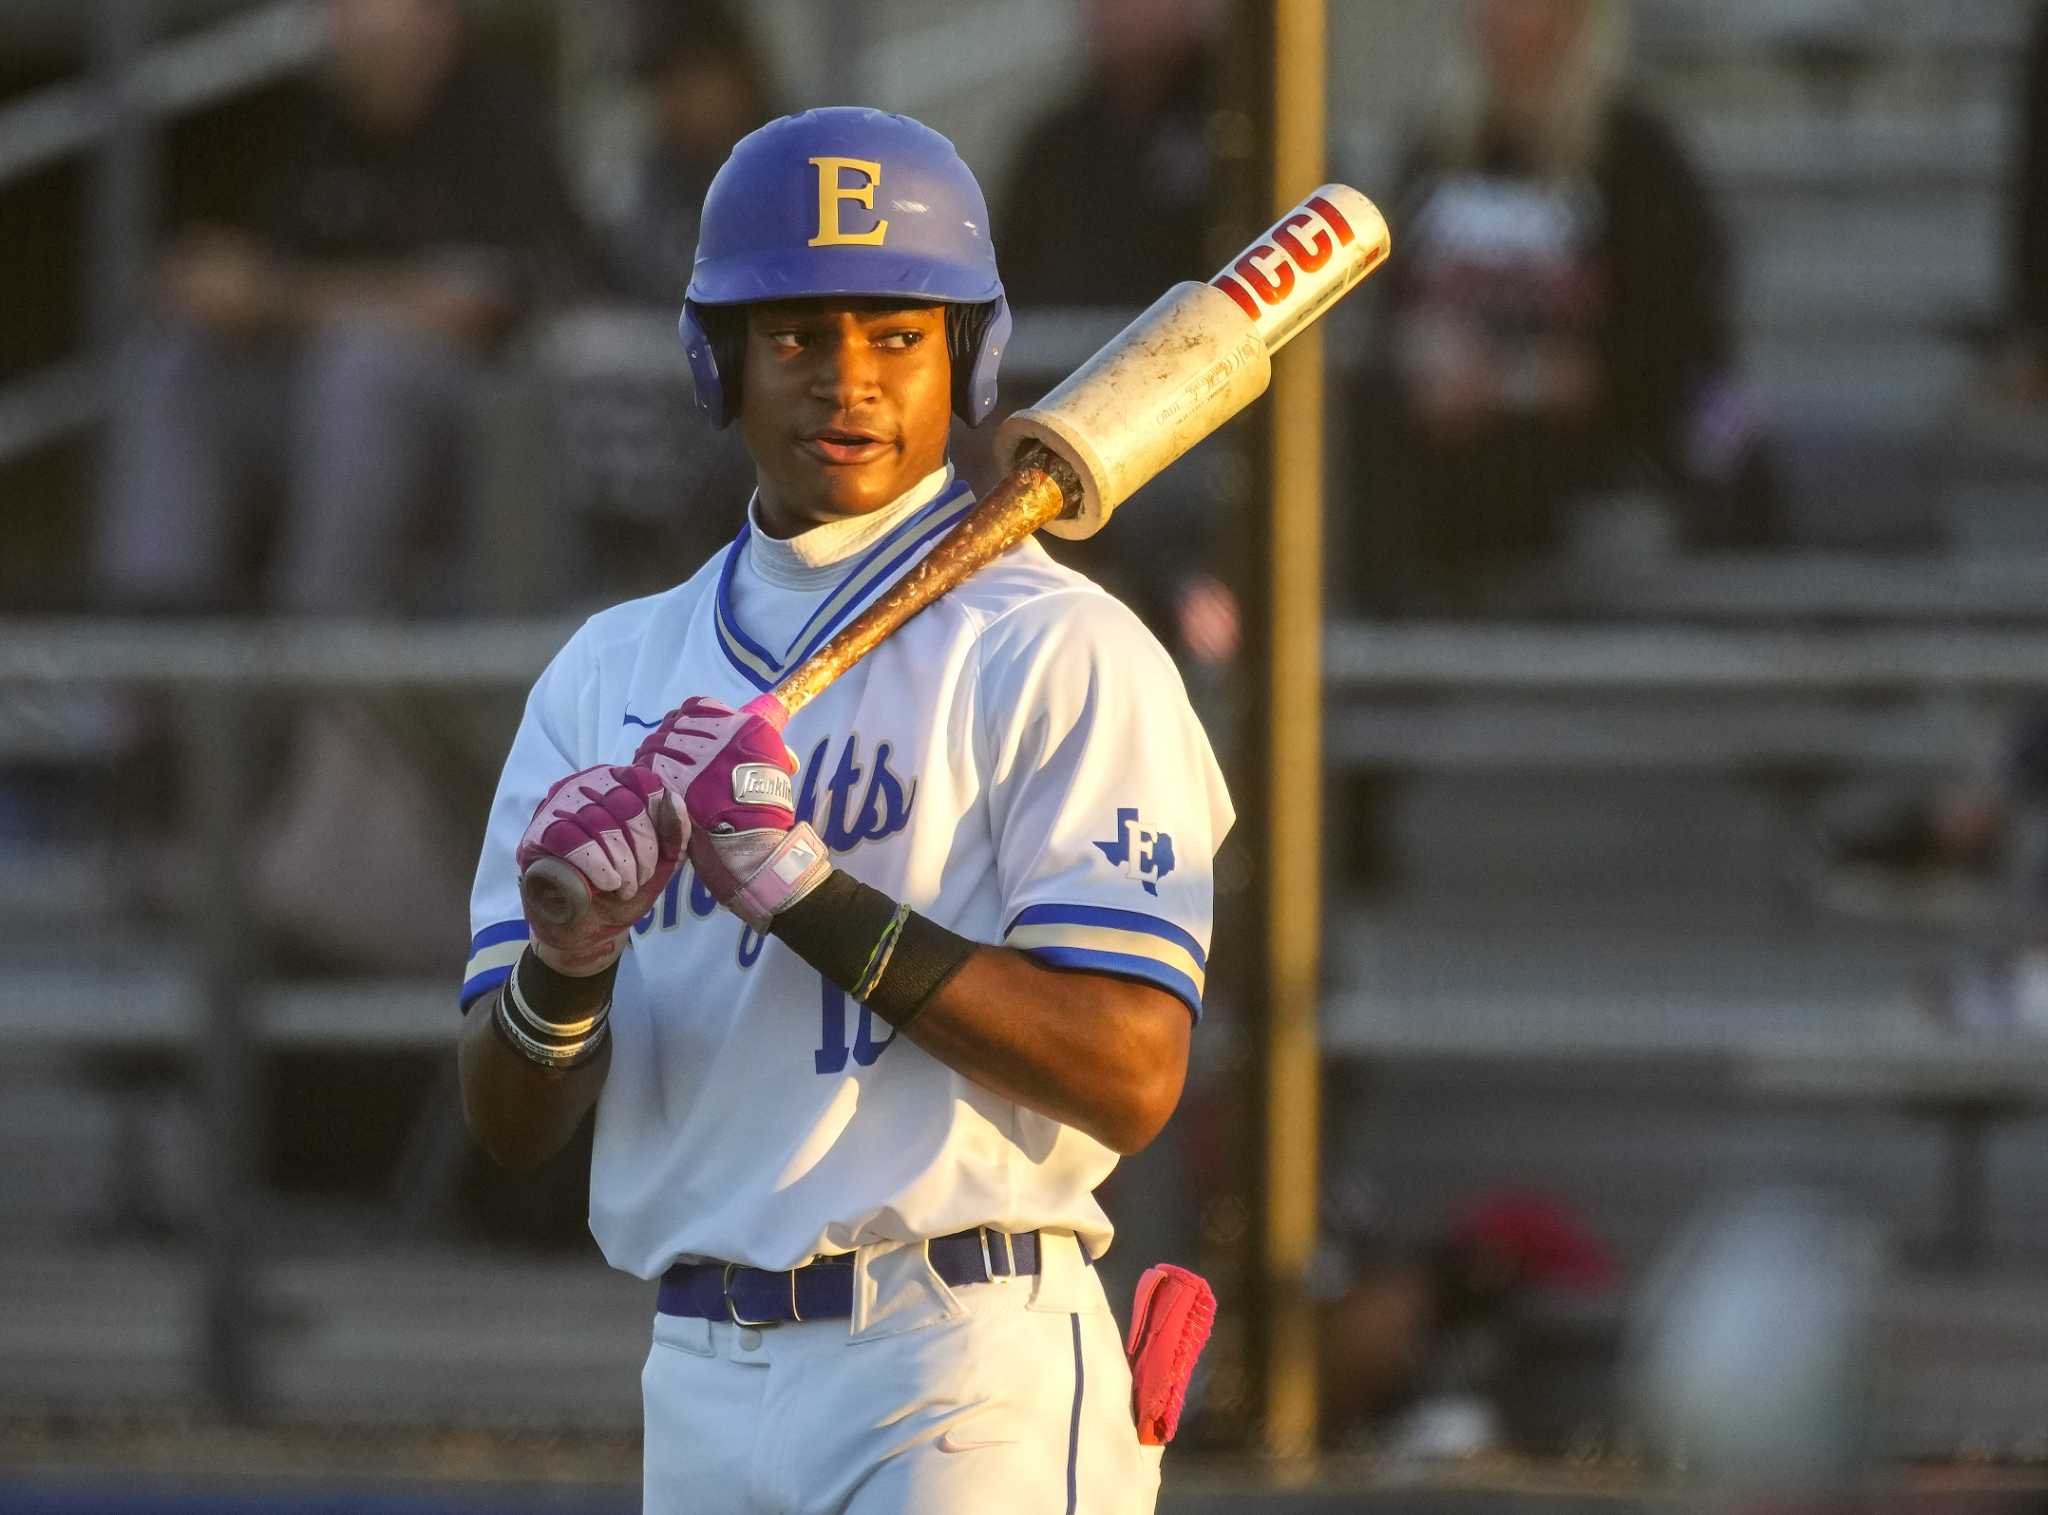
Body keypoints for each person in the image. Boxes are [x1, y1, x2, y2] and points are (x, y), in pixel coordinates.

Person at [457, 108, 1232, 1512]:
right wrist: (566, 964)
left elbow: (1131, 1067)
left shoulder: (1059, 648)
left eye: (895, 333)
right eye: (799, 335)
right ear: (721, 359)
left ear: (966, 357)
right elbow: (508, 1122)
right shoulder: (608, 675)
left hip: (961, 1360)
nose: (848, 380)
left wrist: (807, 895)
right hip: (696, 1370)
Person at [94, 0, 577, 616]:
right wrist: (218, 286)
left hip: (485, 408)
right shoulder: (314, 124)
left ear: (438, 20)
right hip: (318, 397)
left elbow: (473, 305)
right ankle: (152, 640)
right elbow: (253, 268)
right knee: (176, 362)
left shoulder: (496, 114)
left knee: (360, 364)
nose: (342, 22)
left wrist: (273, 297)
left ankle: (322, 642)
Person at [1349, 0, 1774, 613]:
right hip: (1441, 429)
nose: (1496, 14)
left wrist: (1519, 378)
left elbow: (1675, 331)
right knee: (1362, 416)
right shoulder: (1437, 148)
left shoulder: (1635, 152)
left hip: (1589, 434)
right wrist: (1425, 361)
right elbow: (1393, 310)